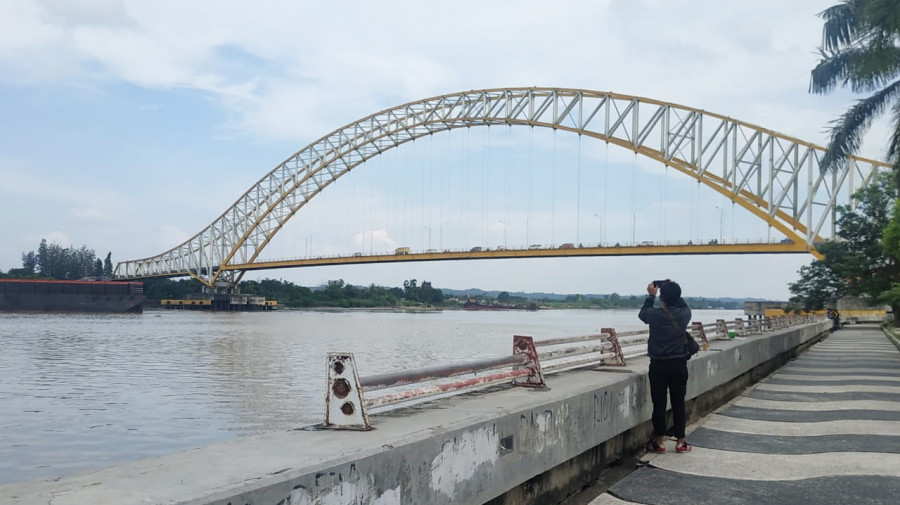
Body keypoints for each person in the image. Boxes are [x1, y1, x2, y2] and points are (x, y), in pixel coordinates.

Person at [638, 279, 692, 454]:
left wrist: (650, 296)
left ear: (661, 298)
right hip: (678, 364)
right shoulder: (685, 314)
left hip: (658, 365)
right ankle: (681, 442)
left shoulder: (654, 315)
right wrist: (671, 288)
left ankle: (659, 442)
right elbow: (679, 301)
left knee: (659, 404)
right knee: (678, 403)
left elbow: (643, 314)